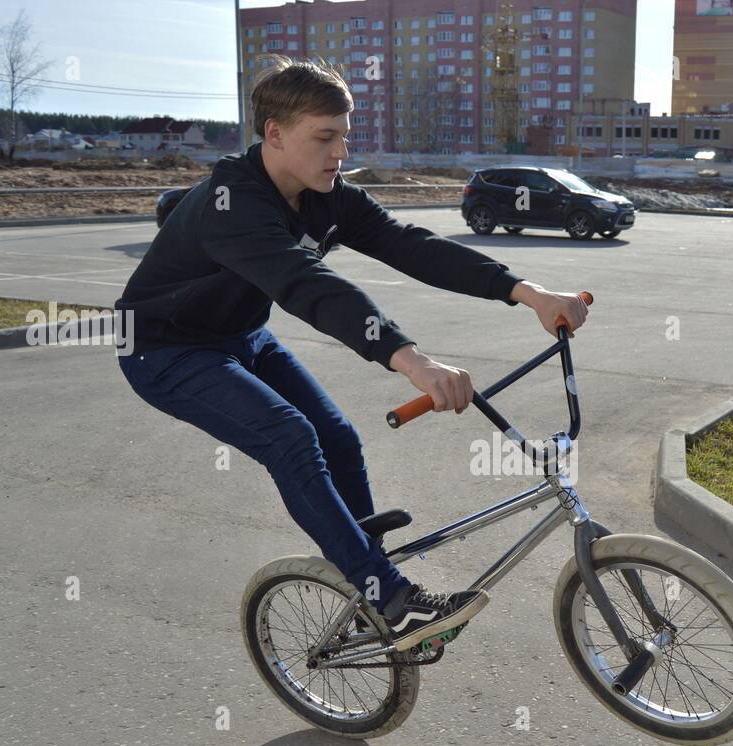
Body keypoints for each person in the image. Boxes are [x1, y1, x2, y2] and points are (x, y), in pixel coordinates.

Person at [114, 57, 590, 652]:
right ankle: (387, 595)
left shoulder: (327, 197)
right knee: (290, 437)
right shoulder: (232, 206)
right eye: (325, 137)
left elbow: (413, 247)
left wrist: (529, 293)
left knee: (337, 438)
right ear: (276, 134)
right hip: (162, 348)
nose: (340, 150)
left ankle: (366, 578)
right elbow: (309, 286)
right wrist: (413, 362)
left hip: (239, 336)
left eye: (345, 134)